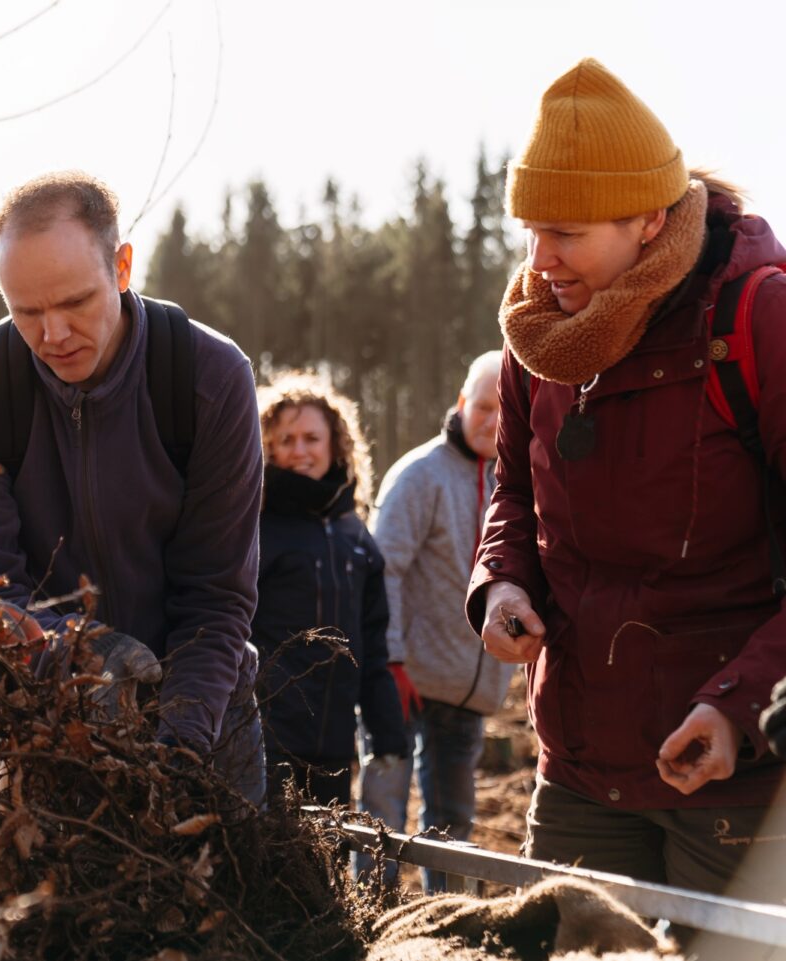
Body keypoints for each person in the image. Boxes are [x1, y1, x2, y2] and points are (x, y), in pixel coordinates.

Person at [468, 59, 786, 904]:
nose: (540, 259)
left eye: (565, 233)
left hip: (734, 782)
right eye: (530, 231)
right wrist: (501, 583)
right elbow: (514, 494)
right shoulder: (537, 336)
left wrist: (739, 707)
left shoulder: (760, 320)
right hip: (578, 774)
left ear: (649, 221)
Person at [0, 171, 266, 804]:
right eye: (27, 312)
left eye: (75, 302)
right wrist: (81, 661)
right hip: (50, 721)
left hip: (208, 708)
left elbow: (217, 596)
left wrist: (180, 754)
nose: (53, 334)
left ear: (122, 267)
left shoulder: (210, 379)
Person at [358, 351, 515, 893]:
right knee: (382, 811)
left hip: (470, 689)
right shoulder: (419, 475)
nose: (493, 421)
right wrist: (390, 659)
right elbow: (384, 570)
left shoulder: (518, 485)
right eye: (483, 407)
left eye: (506, 410)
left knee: (453, 820)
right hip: (404, 678)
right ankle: (369, 909)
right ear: (461, 402)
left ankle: (448, 919)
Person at [251, 372, 406, 806]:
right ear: (267, 447)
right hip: (264, 743)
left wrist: (388, 733)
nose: (299, 450)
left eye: (312, 438)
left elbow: (372, 647)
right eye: (286, 440)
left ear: (336, 444)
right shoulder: (252, 526)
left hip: (334, 748)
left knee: (328, 849)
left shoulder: (355, 537)